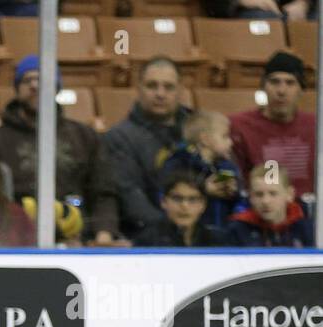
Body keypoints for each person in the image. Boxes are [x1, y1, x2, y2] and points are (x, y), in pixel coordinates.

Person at [0, 55, 124, 245]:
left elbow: (102, 192)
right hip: (17, 237)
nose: (35, 86)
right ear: (17, 89)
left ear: (57, 88)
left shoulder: (84, 137)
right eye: (28, 80)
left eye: (42, 80)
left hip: (80, 237)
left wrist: (104, 234)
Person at [103, 57, 192, 240]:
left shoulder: (200, 131)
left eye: (169, 87)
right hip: (149, 239)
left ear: (180, 90)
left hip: (202, 237)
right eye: (152, 86)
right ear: (139, 89)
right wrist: (172, 233)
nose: (160, 94)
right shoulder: (119, 137)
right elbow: (131, 198)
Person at [229, 52, 317, 200]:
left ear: (301, 90)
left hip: (309, 212)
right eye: (274, 82)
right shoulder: (239, 125)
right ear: (263, 87)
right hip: (260, 210)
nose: (281, 91)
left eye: (290, 83)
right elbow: (225, 170)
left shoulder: (316, 126)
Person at [157, 111, 245, 232]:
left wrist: (234, 191)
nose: (231, 142)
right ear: (205, 139)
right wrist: (203, 189)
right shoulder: (180, 162)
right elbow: (167, 193)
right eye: (224, 136)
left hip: (223, 232)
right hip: (188, 234)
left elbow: (239, 201)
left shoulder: (226, 166)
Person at [227, 163, 315, 246]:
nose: (266, 201)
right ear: (250, 197)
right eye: (258, 194)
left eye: (273, 193)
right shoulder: (236, 231)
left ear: (290, 194)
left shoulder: (310, 230)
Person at [133, 171, 229, 246]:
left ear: (203, 205)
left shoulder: (217, 240)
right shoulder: (147, 240)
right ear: (164, 202)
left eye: (192, 199)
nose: (184, 206)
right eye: (177, 198)